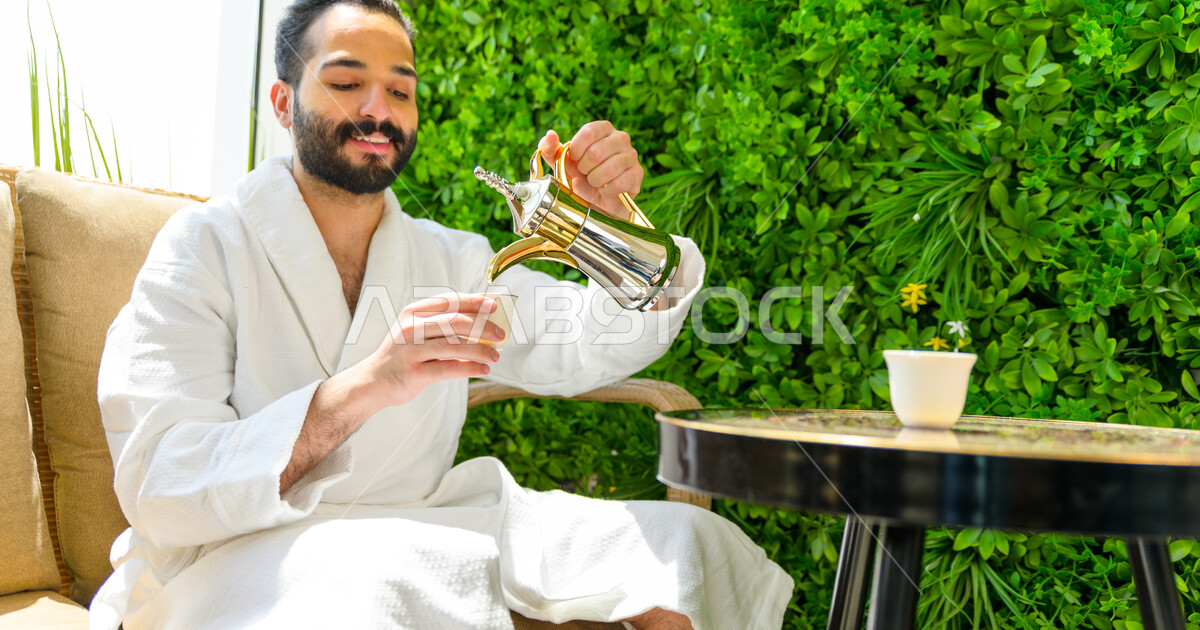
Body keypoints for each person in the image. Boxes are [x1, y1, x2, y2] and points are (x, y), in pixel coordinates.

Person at [88, 1, 793, 628]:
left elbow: (582, 346)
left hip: (427, 517)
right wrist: (362, 388)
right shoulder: (203, 246)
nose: (378, 108)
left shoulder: (449, 258)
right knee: (387, 575)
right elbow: (160, 475)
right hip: (245, 550)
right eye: (344, 83)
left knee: (685, 548)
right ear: (282, 102)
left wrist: (614, 237)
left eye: (400, 89)